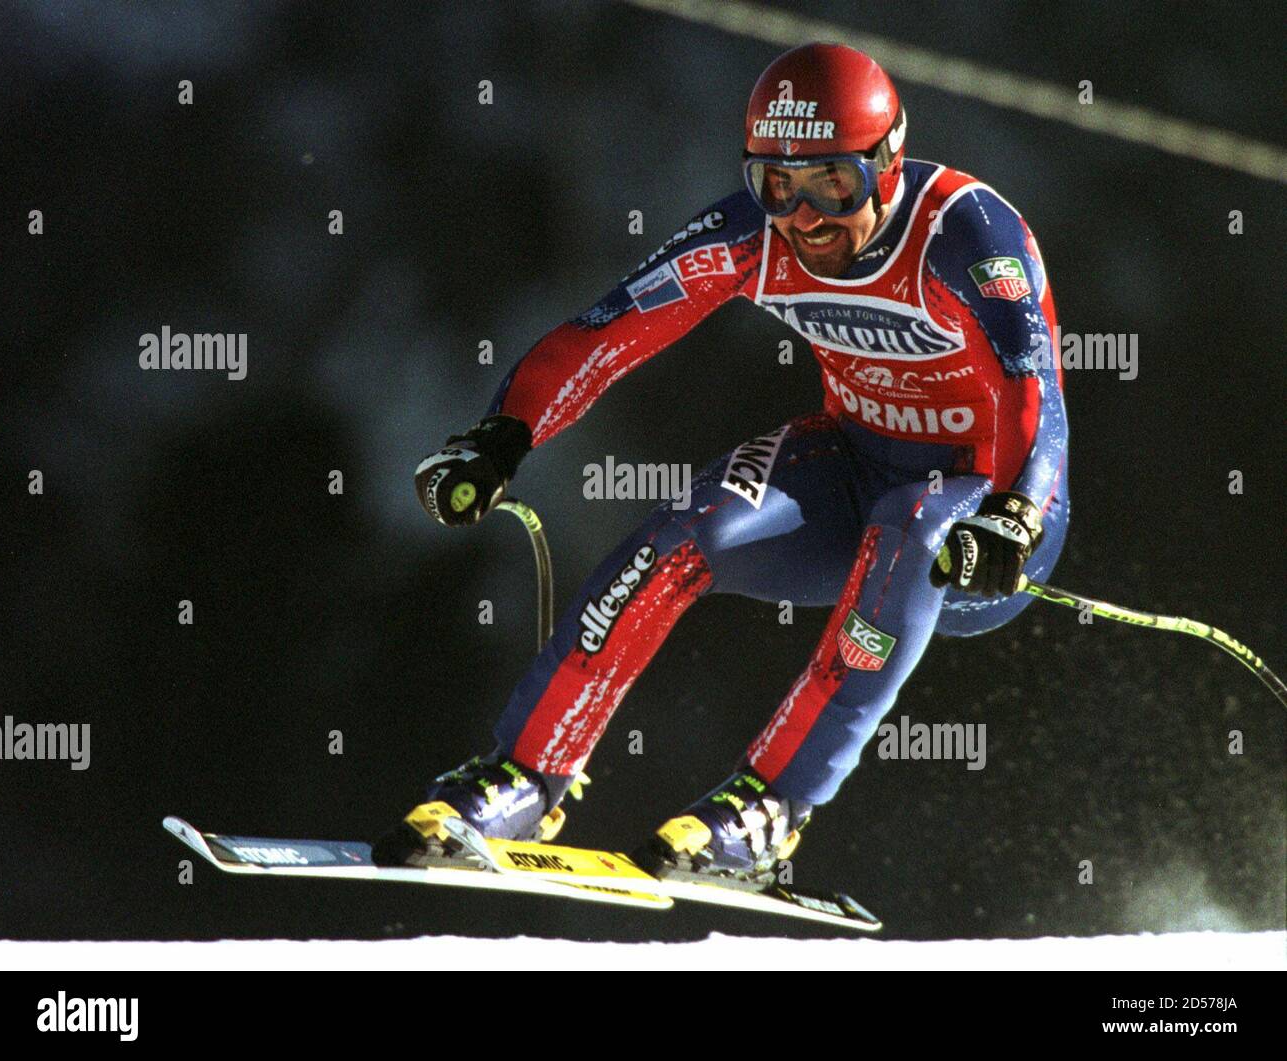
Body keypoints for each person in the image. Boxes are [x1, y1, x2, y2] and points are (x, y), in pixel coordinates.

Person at [374, 42, 1069, 884]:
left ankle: (771, 810)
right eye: (777, 185)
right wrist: (501, 437)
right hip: (853, 467)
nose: (805, 217)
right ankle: (522, 773)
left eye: (832, 184)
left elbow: (1038, 397)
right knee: (689, 529)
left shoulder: (969, 234)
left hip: (981, 513)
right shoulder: (754, 238)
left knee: (911, 525)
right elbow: (610, 331)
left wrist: (1018, 513)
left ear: (887, 163)